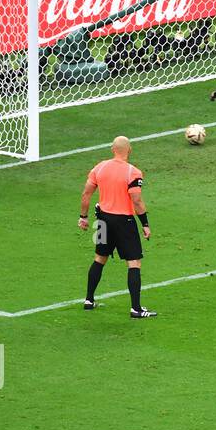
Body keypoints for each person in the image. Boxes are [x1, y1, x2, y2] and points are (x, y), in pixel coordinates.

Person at [79, 135, 157, 318]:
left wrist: (83, 217)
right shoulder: (133, 172)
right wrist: (145, 224)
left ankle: (89, 300)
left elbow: (86, 193)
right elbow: (136, 201)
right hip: (124, 222)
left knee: (99, 258)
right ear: (129, 150)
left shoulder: (100, 167)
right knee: (134, 263)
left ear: (112, 149)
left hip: (103, 220)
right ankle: (136, 309)